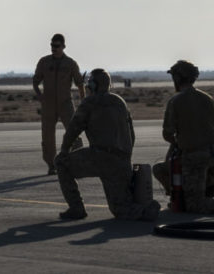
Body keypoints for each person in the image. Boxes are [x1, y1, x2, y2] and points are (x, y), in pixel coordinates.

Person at [151, 59, 214, 216]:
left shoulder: (176, 101)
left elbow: (167, 134)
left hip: (195, 158)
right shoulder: (207, 98)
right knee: (161, 168)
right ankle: (190, 195)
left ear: (178, 79)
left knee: (194, 207)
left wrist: (181, 142)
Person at [54, 68, 158, 221]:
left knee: (61, 163)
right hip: (122, 160)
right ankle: (145, 210)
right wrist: (126, 158)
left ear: (94, 85)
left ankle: (77, 208)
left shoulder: (90, 102)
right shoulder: (119, 102)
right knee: (121, 210)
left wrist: (64, 151)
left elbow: (72, 131)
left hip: (100, 157)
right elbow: (131, 134)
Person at [31, 33, 84, 174]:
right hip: (48, 104)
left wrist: (84, 101)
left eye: (56, 46)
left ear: (63, 46)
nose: (53, 48)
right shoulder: (44, 62)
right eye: (52, 45)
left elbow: (80, 83)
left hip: (65, 103)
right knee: (47, 136)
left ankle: (77, 162)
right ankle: (51, 165)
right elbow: (35, 81)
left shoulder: (71, 63)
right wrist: (40, 96)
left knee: (73, 133)